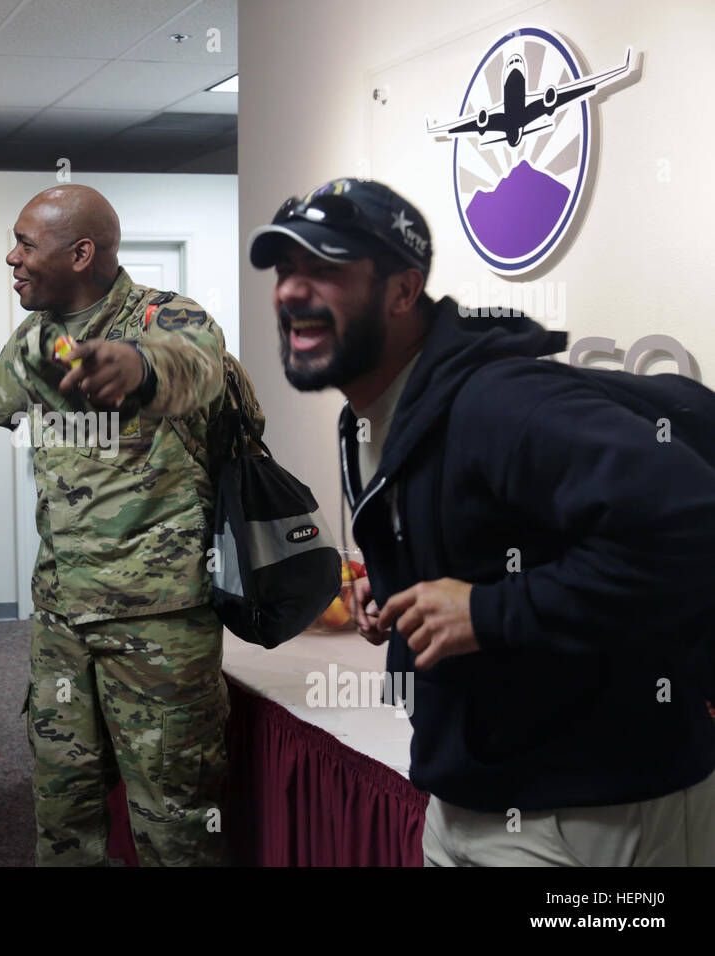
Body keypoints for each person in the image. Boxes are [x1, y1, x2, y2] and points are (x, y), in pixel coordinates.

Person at [248, 176, 715, 866]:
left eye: (326, 268)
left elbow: (695, 525)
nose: (291, 290)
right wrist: (406, 588)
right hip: (465, 799)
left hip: (593, 817)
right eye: (286, 269)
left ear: (403, 291)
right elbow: (493, 542)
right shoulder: (375, 414)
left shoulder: (499, 404)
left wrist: (491, 612)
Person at [0, 185, 230, 866]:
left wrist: (138, 368)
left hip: (156, 623)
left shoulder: (166, 316)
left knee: (175, 822)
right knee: (63, 813)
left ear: (81, 252)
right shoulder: (33, 338)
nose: (11, 257)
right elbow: (2, 409)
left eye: (26, 243)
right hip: (61, 618)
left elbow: (197, 370)